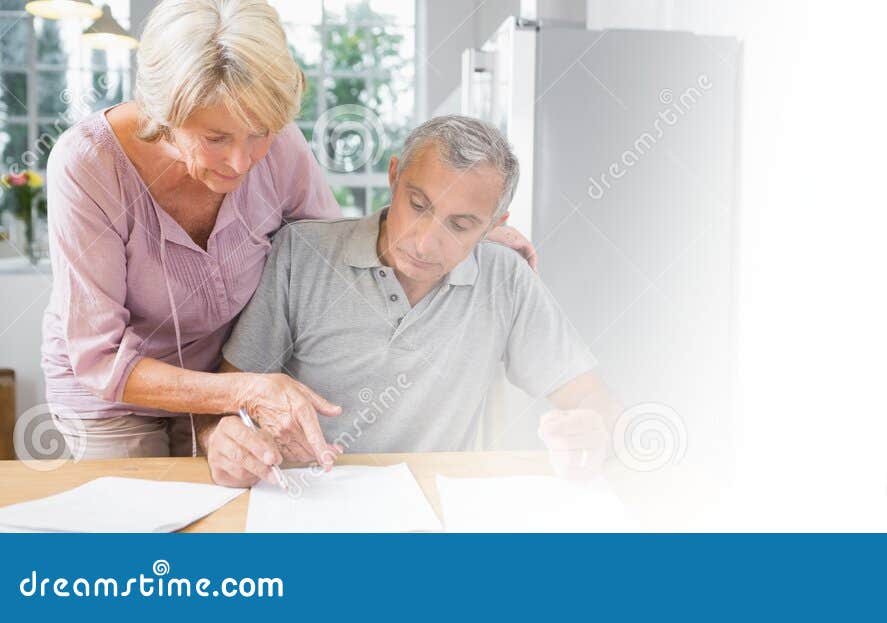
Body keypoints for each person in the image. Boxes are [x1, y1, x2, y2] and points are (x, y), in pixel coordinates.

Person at [41, 0, 538, 462]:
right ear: (164, 113)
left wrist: (452, 234)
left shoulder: (279, 147)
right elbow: (99, 358)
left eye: (259, 133)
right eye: (216, 138)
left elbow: (330, 252)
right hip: (116, 399)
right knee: (144, 537)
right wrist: (247, 391)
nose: (241, 161)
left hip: (227, 380)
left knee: (225, 526)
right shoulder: (89, 165)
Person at [201, 115, 619, 486]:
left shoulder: (505, 278)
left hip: (432, 517)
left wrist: (591, 429)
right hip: (303, 501)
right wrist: (223, 442)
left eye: (461, 225)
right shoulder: (301, 253)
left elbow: (592, 399)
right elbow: (225, 401)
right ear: (394, 175)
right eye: (418, 205)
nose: (424, 243)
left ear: (495, 225)